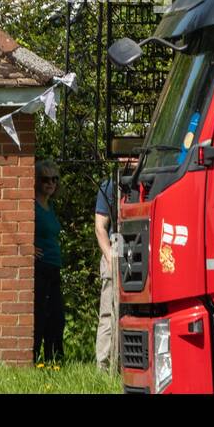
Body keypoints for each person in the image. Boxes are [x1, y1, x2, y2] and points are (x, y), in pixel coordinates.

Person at [94, 156, 134, 372]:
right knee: (109, 311)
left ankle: (129, 364)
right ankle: (103, 366)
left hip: (137, 245)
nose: (133, 160)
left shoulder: (145, 180)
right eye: (128, 155)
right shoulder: (109, 186)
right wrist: (109, 256)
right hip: (115, 245)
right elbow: (100, 227)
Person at [33, 158, 65, 366]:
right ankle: (35, 358)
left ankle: (55, 358)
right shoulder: (31, 206)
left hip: (54, 267)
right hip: (40, 267)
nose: (50, 184)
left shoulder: (50, 205)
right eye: (46, 179)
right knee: (40, 316)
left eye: (54, 179)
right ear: (37, 181)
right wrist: (27, 247)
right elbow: (19, 230)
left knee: (58, 316)